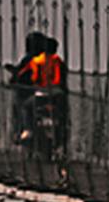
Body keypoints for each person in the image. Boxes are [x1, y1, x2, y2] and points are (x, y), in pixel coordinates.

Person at [14, 28, 70, 160]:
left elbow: (25, 76)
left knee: (26, 107)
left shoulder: (37, 60)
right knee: (63, 115)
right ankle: (63, 137)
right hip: (58, 95)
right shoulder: (59, 62)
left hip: (40, 95)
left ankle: (27, 129)